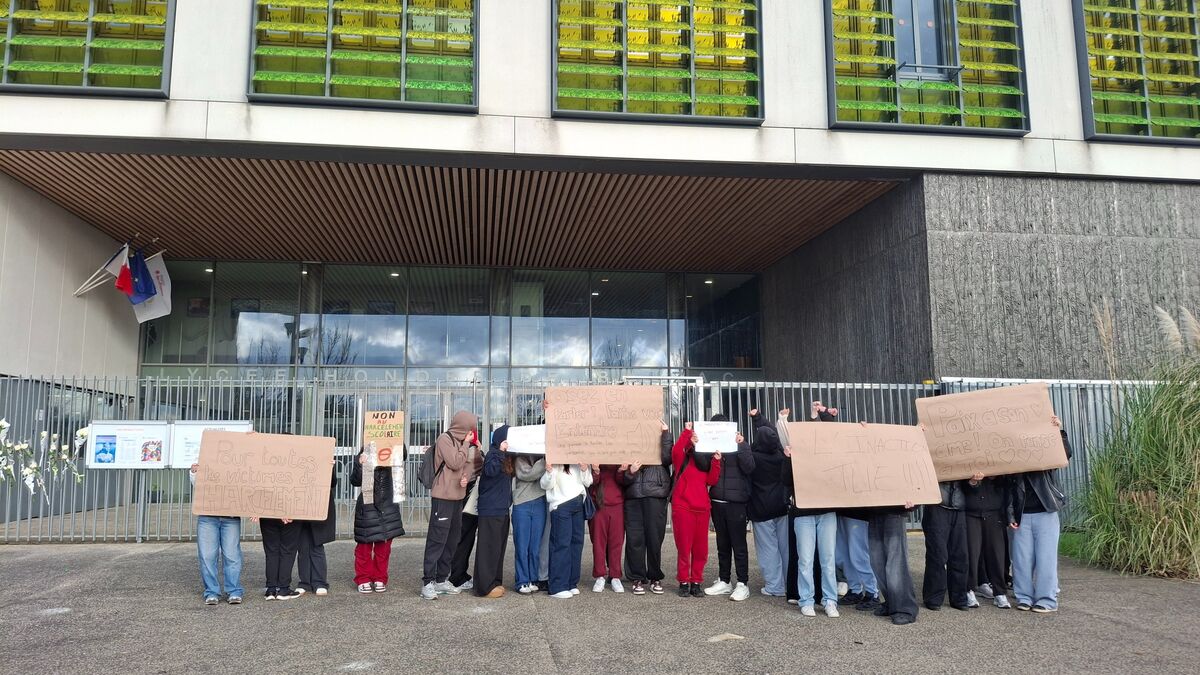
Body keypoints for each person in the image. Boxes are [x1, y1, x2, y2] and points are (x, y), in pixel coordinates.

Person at [1006, 416, 1072, 614]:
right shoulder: (1011, 459)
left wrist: (1059, 432)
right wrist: (1010, 515)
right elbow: (1008, 490)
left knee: (1046, 559)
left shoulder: (1045, 452)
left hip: (1046, 511)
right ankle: (1024, 597)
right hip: (1022, 515)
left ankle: (1047, 599)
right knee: (1021, 560)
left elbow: (1065, 454)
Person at [420, 410, 480, 601]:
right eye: (470, 427)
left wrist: (465, 478)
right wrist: (466, 444)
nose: (472, 431)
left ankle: (441, 580)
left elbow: (466, 467)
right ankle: (428, 582)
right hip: (443, 497)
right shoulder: (445, 439)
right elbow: (455, 462)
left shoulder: (464, 443)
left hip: (457, 497)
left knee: (452, 540)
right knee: (437, 539)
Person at [781, 437, 839, 618]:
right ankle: (806, 600)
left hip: (827, 512)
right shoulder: (797, 453)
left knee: (828, 559)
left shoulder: (830, 455)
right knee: (805, 560)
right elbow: (785, 480)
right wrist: (787, 459)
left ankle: (830, 600)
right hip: (803, 512)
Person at [618, 421, 674, 596]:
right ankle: (637, 577)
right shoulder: (626, 440)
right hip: (633, 496)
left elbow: (667, 458)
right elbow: (622, 480)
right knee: (635, 538)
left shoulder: (659, 436)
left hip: (655, 494)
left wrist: (665, 434)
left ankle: (655, 576)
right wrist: (631, 472)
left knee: (655, 538)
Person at [704, 414, 754, 601]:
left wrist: (741, 445)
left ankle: (742, 583)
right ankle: (724, 580)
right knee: (722, 544)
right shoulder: (710, 447)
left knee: (739, 545)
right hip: (717, 501)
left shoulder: (740, 444)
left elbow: (750, 467)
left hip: (736, 502)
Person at [671, 421, 721, 597]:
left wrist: (716, 462)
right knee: (684, 547)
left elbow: (712, 480)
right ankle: (684, 581)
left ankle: (696, 581)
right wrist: (686, 433)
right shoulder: (683, 457)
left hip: (702, 508)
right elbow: (676, 451)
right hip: (683, 506)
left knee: (701, 550)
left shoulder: (706, 460)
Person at [351, 447, 406, 594]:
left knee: (384, 546)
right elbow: (355, 481)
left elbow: (403, 454)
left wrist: (397, 439)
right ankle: (363, 578)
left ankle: (379, 577)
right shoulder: (365, 452)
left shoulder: (394, 450)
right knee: (364, 545)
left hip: (388, 505)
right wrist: (360, 464)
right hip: (367, 505)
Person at [748, 409, 789, 598]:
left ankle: (774, 586)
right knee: (785, 548)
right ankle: (788, 582)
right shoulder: (781, 455)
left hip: (761, 509)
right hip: (781, 507)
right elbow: (773, 435)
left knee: (768, 549)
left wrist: (757, 419)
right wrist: (759, 418)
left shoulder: (754, 458)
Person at [189, 463, 244, 605]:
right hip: (207, 516)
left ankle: (234, 591)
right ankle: (211, 592)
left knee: (232, 555)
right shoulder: (208, 457)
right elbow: (199, 487)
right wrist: (194, 473)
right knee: (207, 556)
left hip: (231, 516)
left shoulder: (238, 461)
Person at [542, 461, 594, 599]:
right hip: (561, 505)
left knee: (576, 544)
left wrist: (584, 469)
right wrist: (549, 471)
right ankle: (557, 586)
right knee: (561, 544)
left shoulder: (579, 459)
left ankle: (571, 582)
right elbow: (545, 485)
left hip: (578, 503)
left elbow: (588, 482)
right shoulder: (556, 460)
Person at [474, 426, 514, 598]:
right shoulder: (493, 454)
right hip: (490, 509)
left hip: (502, 509)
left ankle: (495, 582)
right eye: (506, 440)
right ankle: (484, 586)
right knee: (488, 548)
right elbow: (490, 470)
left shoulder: (506, 457)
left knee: (498, 548)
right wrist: (501, 451)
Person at [921, 476, 972, 611]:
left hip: (959, 507)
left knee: (960, 556)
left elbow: (971, 489)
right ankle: (933, 598)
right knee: (937, 555)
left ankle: (959, 598)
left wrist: (973, 483)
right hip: (937, 506)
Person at [964, 471, 1012, 609]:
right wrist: (972, 483)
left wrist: (995, 476)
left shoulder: (1002, 476)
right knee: (972, 553)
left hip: (994, 512)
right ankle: (969, 590)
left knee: (997, 554)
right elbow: (962, 486)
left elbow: (1008, 484)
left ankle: (1000, 592)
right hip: (971, 512)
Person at [447, 437, 485, 593]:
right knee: (464, 538)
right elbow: (480, 467)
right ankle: (457, 576)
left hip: (462, 497)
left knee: (462, 538)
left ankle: (456, 573)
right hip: (467, 497)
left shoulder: (457, 447)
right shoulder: (469, 449)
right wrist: (480, 450)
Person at [297, 463, 338, 596]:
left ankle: (319, 582)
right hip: (300, 502)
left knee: (317, 545)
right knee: (302, 547)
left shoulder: (324, 456)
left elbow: (332, 482)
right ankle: (305, 582)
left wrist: (331, 467)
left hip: (319, 503)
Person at [512, 449, 547, 595]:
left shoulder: (541, 455)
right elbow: (528, 474)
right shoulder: (519, 457)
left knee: (535, 546)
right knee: (522, 545)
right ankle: (522, 581)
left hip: (539, 502)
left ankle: (533, 579)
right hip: (522, 503)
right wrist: (545, 462)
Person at [589, 462, 626, 593]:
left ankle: (615, 576)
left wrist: (621, 471)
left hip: (618, 503)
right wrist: (596, 471)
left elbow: (625, 481)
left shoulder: (621, 453)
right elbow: (589, 482)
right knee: (598, 542)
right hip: (599, 502)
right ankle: (600, 576)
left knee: (616, 542)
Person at [257, 516, 302, 601]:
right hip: (291, 515)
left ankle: (271, 589)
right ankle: (283, 589)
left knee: (271, 552)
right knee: (288, 551)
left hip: (267, 516)